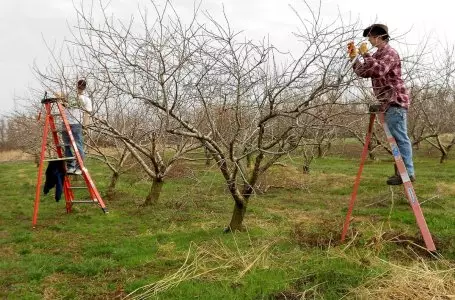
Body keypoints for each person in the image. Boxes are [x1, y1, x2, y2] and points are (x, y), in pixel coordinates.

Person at [350, 24, 415, 185]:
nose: (369, 41)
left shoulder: (390, 53)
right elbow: (364, 72)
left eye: (371, 37)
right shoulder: (378, 54)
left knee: (400, 138)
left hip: (395, 100)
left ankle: (407, 173)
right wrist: (354, 58)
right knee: (395, 139)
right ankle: (401, 172)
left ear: (379, 37)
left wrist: (366, 54)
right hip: (386, 102)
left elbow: (379, 70)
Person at [61, 79, 92, 175]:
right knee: (67, 146)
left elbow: (87, 113)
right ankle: (71, 167)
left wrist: (85, 126)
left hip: (76, 124)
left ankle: (79, 167)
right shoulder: (69, 95)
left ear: (84, 88)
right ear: (77, 86)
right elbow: (58, 94)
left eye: (82, 87)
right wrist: (63, 101)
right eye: (79, 86)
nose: (80, 88)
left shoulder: (86, 99)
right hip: (65, 123)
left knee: (78, 146)